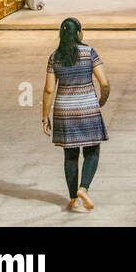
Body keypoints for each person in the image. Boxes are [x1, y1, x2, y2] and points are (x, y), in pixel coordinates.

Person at [42, 18, 109, 212]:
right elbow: (104, 82)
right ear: (79, 33)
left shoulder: (55, 57)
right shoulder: (89, 53)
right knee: (92, 151)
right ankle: (83, 188)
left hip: (64, 111)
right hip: (88, 108)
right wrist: (102, 99)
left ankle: (73, 199)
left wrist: (45, 116)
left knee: (70, 155)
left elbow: (48, 89)